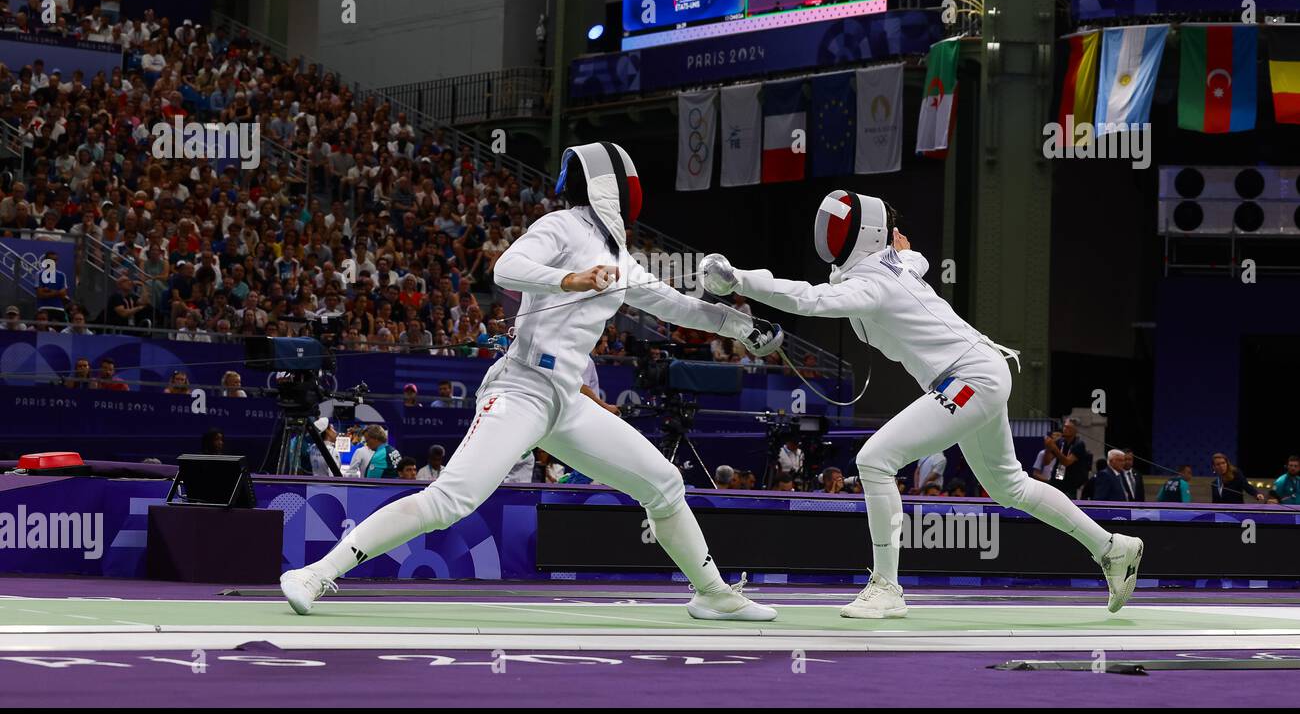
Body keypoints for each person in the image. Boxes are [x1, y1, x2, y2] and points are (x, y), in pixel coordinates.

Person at [281, 142, 783, 621]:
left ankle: (712, 594)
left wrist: (743, 326)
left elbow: (677, 305)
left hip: (566, 401)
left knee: (665, 483)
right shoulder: (562, 225)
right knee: (450, 499)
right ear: (614, 186)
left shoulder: (622, 257)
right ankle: (316, 573)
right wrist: (571, 279)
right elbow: (507, 267)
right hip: (520, 388)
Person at [700, 189, 1142, 619]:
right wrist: (899, 247)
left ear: (864, 236)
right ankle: (1112, 548)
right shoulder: (894, 266)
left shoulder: (874, 283)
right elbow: (914, 257)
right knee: (1011, 488)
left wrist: (739, 279)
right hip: (976, 374)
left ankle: (887, 588)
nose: (829, 237)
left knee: (874, 460)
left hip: (970, 379)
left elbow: (810, 299)